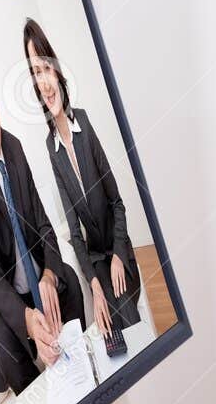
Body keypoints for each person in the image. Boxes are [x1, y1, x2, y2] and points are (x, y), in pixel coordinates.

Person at [0, 38, 85, 396]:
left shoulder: (14, 147)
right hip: (14, 294)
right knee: (3, 347)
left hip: (35, 283)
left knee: (70, 282)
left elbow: (43, 225)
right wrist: (27, 320)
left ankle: (78, 381)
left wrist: (47, 274)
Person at [24, 17, 142, 342]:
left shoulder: (85, 124)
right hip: (96, 262)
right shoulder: (52, 149)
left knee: (126, 315)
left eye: (45, 68)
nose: (44, 83)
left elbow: (117, 202)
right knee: (108, 327)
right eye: (35, 73)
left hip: (119, 252)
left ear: (57, 71)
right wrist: (93, 283)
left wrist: (119, 254)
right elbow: (75, 233)